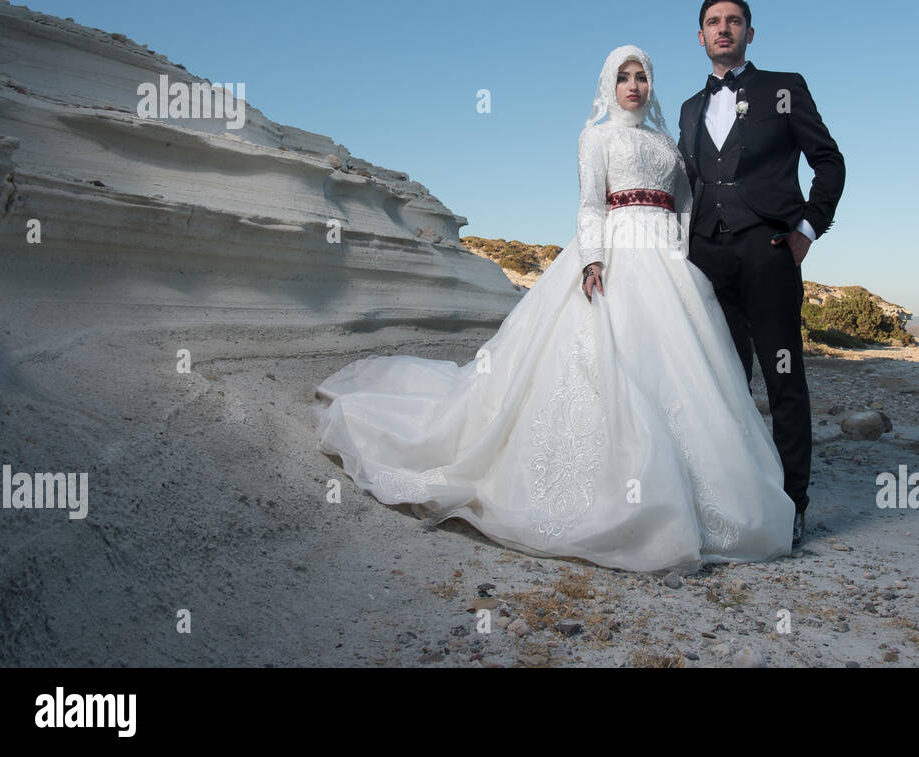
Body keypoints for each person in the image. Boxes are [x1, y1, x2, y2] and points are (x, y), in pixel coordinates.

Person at [313, 45, 794, 573]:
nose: (634, 86)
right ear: (609, 85)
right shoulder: (596, 135)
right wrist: (592, 259)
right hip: (614, 250)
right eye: (623, 77)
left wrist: (681, 250)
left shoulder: (665, 141)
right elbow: (590, 200)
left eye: (642, 77)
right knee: (603, 365)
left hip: (667, 260)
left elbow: (684, 201)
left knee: (680, 374)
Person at [678, 0, 846, 548]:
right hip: (706, 254)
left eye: (733, 21)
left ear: (751, 32)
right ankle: (728, 498)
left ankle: (792, 503)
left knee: (783, 379)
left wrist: (807, 230)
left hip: (769, 248)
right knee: (720, 380)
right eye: (712, 23)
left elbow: (829, 160)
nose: (723, 29)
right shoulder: (687, 109)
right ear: (699, 36)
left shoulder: (784, 87)